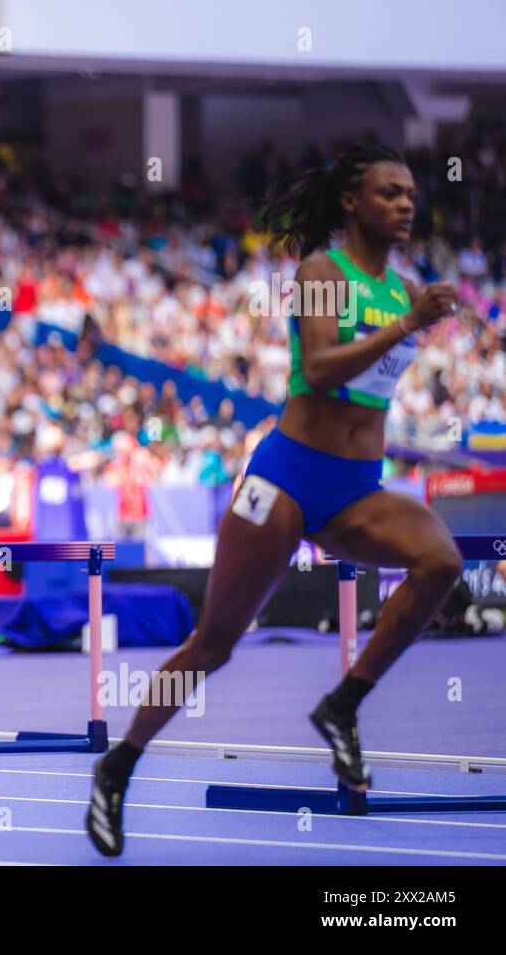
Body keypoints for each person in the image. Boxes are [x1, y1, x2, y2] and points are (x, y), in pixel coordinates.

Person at [87, 142, 462, 857]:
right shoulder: (324, 272)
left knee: (439, 561)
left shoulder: (405, 286)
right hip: (285, 478)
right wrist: (408, 326)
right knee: (212, 645)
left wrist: (409, 320)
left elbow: (372, 381)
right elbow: (318, 370)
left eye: (412, 192)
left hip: (356, 487)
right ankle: (119, 763)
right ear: (352, 202)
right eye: (390, 192)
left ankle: (341, 706)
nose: (406, 203)